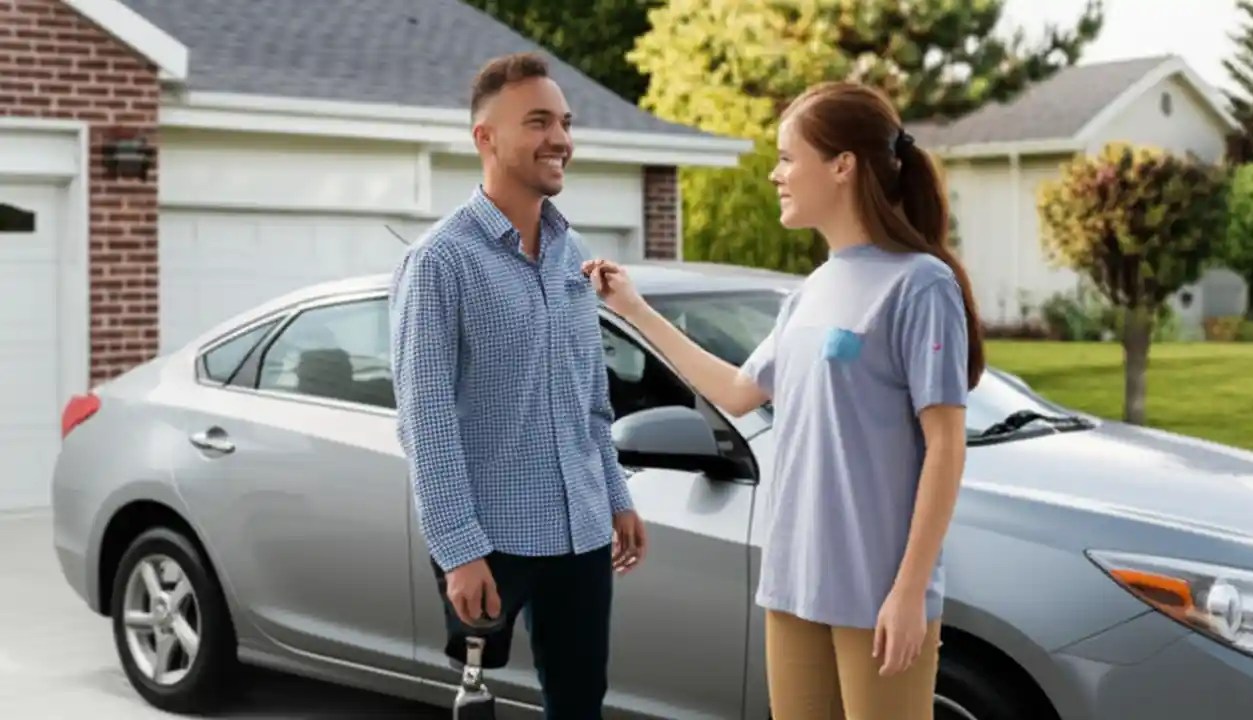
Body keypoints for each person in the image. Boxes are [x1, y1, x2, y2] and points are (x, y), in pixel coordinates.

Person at [583, 80, 984, 719]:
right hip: (793, 581)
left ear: (842, 166)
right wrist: (633, 309)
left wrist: (909, 591)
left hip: (877, 589)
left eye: (788, 157)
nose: (776, 175)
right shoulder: (812, 290)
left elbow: (946, 444)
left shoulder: (920, 284)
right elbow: (740, 393)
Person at [388, 52, 647, 719]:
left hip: (583, 532)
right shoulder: (440, 262)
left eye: (564, 122)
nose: (560, 138)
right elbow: (425, 416)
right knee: (475, 706)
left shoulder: (569, 252)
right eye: (538, 121)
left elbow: (591, 398)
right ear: (486, 138)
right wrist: (459, 551)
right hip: (491, 538)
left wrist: (615, 496)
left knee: (581, 702)